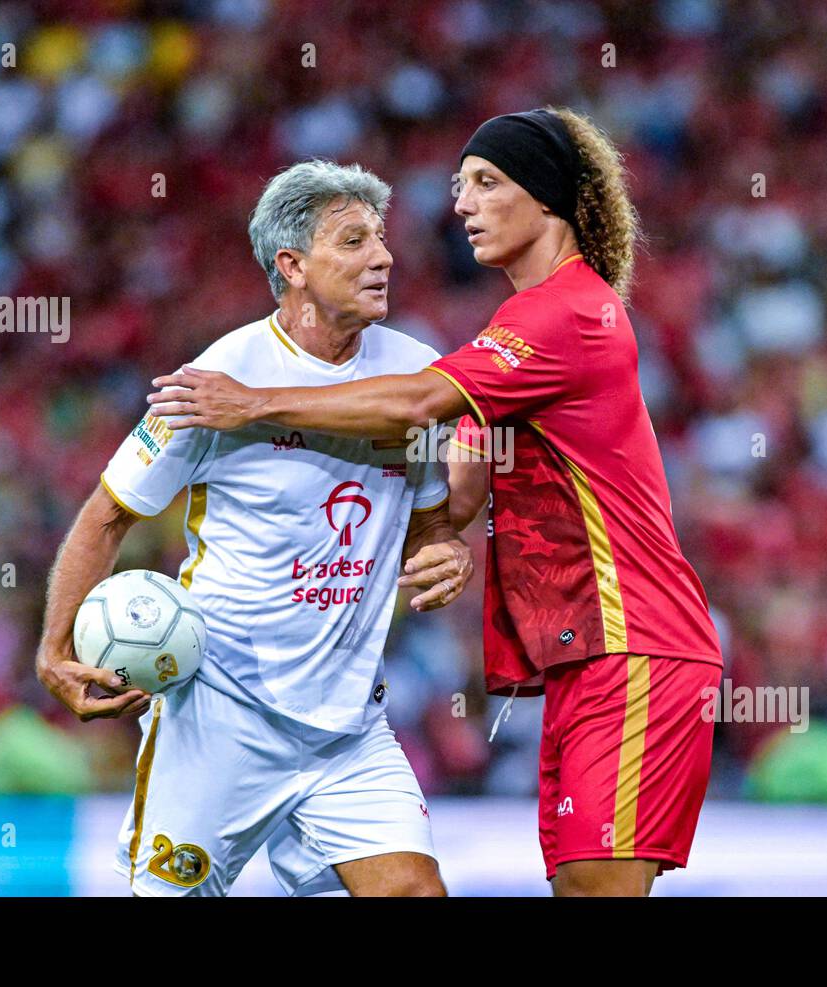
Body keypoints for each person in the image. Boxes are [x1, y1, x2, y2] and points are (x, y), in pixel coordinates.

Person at [145, 108, 725, 896]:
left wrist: (252, 403)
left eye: (487, 183)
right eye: (459, 186)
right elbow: (465, 467)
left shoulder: (567, 315)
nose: (462, 204)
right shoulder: (523, 324)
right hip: (585, 655)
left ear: (548, 198)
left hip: (635, 646)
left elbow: (421, 401)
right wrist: (445, 533)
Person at [35, 160, 472, 897]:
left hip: (348, 727)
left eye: (382, 239)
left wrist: (443, 546)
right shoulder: (214, 379)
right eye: (355, 240)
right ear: (292, 265)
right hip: (220, 714)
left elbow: (429, 513)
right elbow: (107, 513)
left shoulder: (415, 375)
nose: (384, 257)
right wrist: (52, 650)